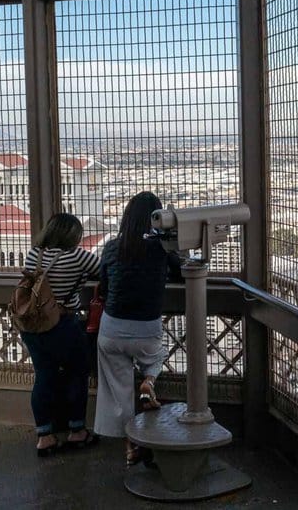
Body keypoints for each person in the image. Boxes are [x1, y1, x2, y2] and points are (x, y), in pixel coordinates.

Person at [94, 191, 182, 465]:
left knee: (117, 389)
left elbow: (104, 283)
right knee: (155, 357)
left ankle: (130, 444)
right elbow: (182, 271)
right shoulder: (161, 249)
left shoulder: (112, 247)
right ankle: (149, 382)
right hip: (146, 326)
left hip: (112, 327)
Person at [19, 212, 101, 456]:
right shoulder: (77, 256)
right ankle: (77, 430)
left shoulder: (35, 254)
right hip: (62, 324)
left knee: (44, 376)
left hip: (33, 325)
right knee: (77, 373)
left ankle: (44, 435)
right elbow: (104, 270)